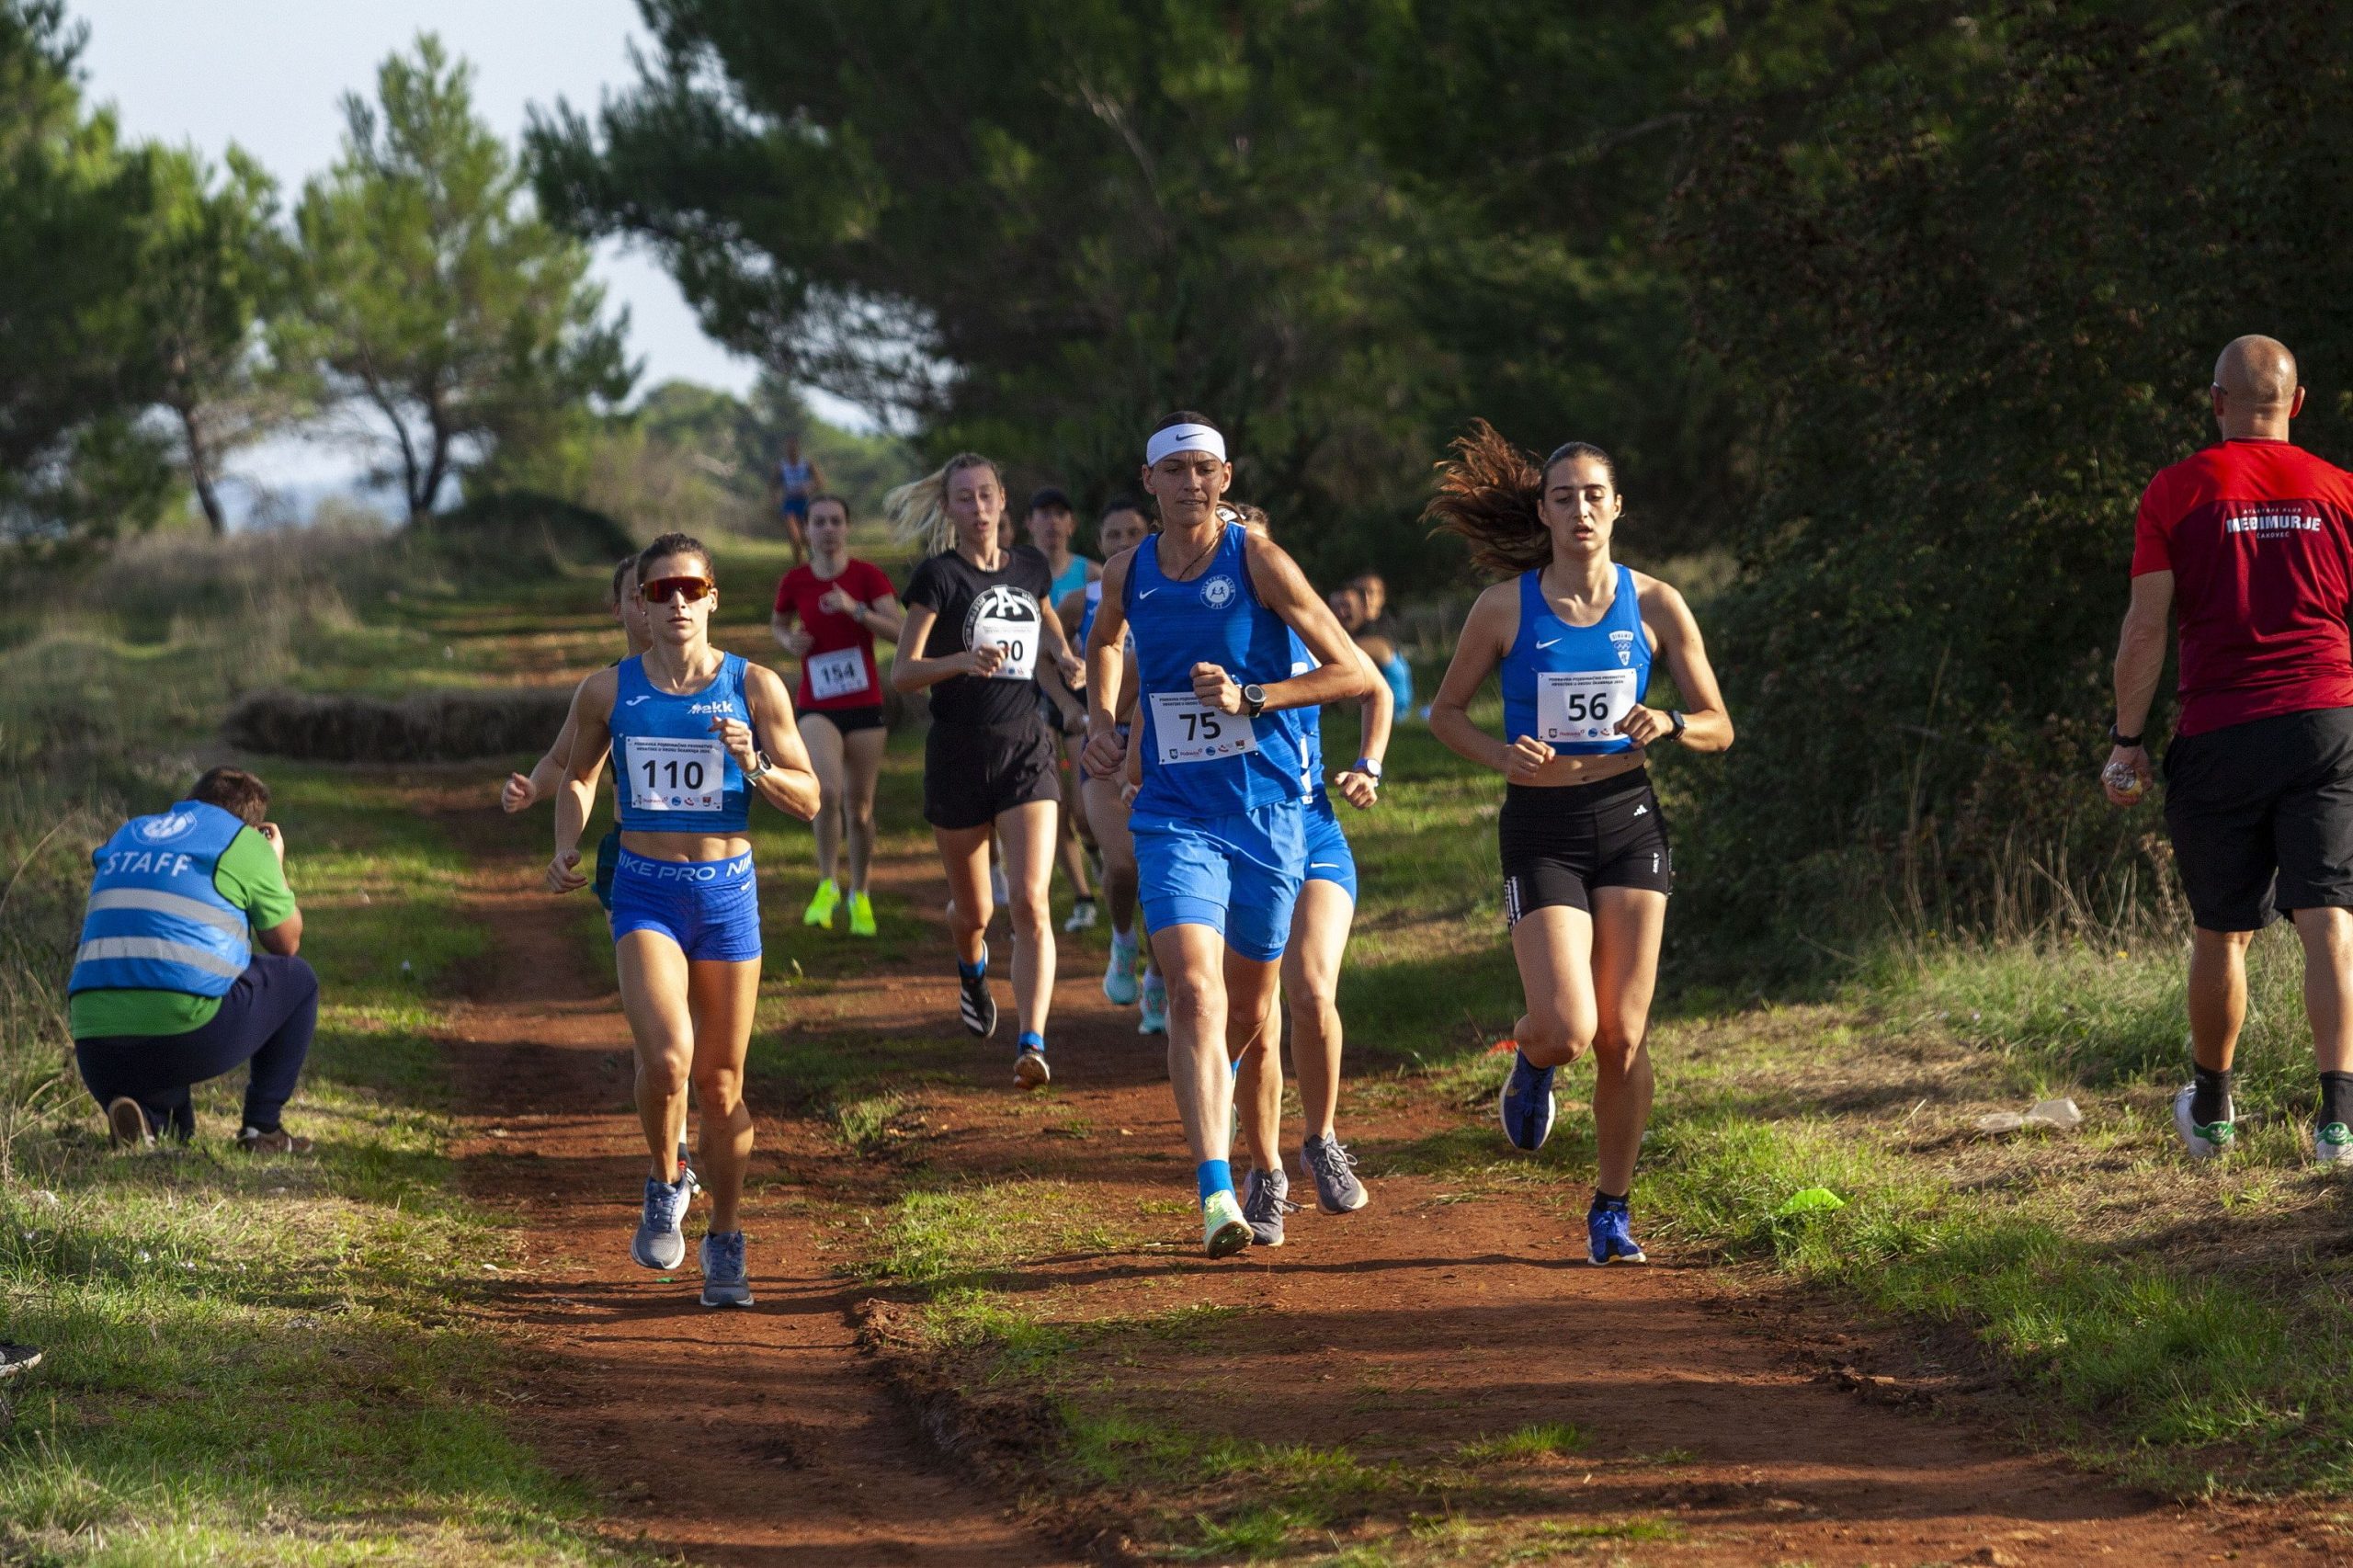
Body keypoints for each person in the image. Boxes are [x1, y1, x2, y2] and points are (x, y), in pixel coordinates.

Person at [1426, 423, 1733, 1267]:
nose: (1581, 509)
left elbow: (1719, 724)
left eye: (1595, 494)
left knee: (1623, 1038)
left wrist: (1669, 719)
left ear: (1618, 506)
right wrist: (1500, 753)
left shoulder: (1658, 603)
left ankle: (1610, 1209)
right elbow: (1443, 714)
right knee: (1567, 1028)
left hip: (1630, 822)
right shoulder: (1505, 607)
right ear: (1545, 511)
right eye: (1565, 497)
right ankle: (1531, 1059)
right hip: (1542, 827)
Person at [1081, 413, 1368, 1257]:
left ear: (1227, 478)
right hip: (1173, 813)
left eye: (1206, 471)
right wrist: (1103, 718)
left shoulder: (1259, 559)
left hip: (1270, 816)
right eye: (1177, 473)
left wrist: (1254, 697)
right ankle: (1215, 1191)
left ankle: (1271, 1163)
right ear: (1150, 483)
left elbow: (1349, 668)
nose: (1192, 486)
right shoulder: (1128, 571)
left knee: (1250, 1012)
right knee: (1195, 994)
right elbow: (1102, 645)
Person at [549, 532, 822, 1307]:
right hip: (644, 890)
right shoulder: (608, 691)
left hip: (727, 892)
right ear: (637, 602)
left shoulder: (755, 686)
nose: (675, 603)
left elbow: (811, 799)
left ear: (712, 597)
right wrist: (568, 845)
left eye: (690, 589)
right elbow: (576, 775)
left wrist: (756, 765)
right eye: (659, 590)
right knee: (667, 1061)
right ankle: (667, 1179)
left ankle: (726, 1235)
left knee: (721, 1082)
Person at [2105, 335, 2353, 1166]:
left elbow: (2147, 629)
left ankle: (2212, 1114)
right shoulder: (2340, 491)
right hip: (2326, 720)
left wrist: (2127, 741)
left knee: (2223, 929)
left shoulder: (2176, 492)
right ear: (2298, 403)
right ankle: (2338, 1126)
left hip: (2220, 732)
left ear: (2216, 403)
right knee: (2329, 920)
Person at [890, 455, 1087, 1088]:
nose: (978, 509)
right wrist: (961, 660)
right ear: (949, 509)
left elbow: (1041, 609)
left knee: (1031, 900)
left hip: (1025, 746)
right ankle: (971, 967)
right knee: (974, 909)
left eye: (987, 496)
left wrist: (1060, 649)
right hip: (957, 751)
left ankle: (1032, 1041)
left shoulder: (1028, 565)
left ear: (1004, 500)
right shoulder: (938, 578)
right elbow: (904, 672)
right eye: (965, 499)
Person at [69, 767, 317, 1153]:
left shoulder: (128, 833)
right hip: (180, 1036)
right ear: (251, 824)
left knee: (177, 1131)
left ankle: (146, 1122)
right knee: (299, 981)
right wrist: (274, 865)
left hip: (94, 1044)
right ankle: (261, 1129)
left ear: (189, 801)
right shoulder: (241, 842)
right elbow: (287, 943)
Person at [771, 495, 905, 937]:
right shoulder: (795, 580)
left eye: (836, 521)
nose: (828, 529)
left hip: (864, 706)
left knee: (860, 809)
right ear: (806, 530)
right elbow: (779, 624)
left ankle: (860, 893)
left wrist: (857, 610)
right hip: (816, 705)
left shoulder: (867, 577)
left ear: (847, 528)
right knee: (826, 791)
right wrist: (790, 642)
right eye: (819, 522)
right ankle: (827, 883)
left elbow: (903, 630)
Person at [1059, 498, 1165, 1025]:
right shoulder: (1084, 601)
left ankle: (1160, 978)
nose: (1124, 541)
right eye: (1113, 534)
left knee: (1165, 873)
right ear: (1099, 545)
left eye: (1134, 532)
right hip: (1109, 740)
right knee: (1122, 864)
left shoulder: (1171, 588)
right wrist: (1068, 708)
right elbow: (1044, 648)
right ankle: (1123, 938)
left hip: (1169, 744)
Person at [503, 555, 654, 912]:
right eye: (640, 595)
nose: (653, 604)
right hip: (630, 852)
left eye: (665, 591)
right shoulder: (605, 689)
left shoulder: (723, 683)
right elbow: (564, 763)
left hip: (707, 858)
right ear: (618, 610)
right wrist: (536, 788)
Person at [1029, 487, 1105, 932]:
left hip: (1077, 693)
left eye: (1061, 515)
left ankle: (1096, 849)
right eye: (1044, 514)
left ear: (1071, 525)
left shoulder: (1092, 574)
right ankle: (1082, 897)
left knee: (1080, 808)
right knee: (1050, 802)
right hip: (1028, 691)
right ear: (1030, 523)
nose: (1052, 523)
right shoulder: (1017, 570)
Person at [1335, 573, 1415, 719]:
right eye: (1360, 591)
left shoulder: (1382, 625)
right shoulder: (1356, 628)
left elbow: (1383, 651)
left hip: (1389, 706)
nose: (1367, 598)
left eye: (1370, 592)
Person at [771, 435, 825, 562]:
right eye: (788, 448)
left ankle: (814, 561)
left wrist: (809, 488)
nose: (791, 450)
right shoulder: (781, 466)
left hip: (805, 503)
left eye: (793, 448)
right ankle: (798, 566)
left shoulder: (807, 464)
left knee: (806, 537)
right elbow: (773, 484)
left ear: (797, 449)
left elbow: (820, 482)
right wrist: (775, 497)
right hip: (789, 503)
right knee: (795, 537)